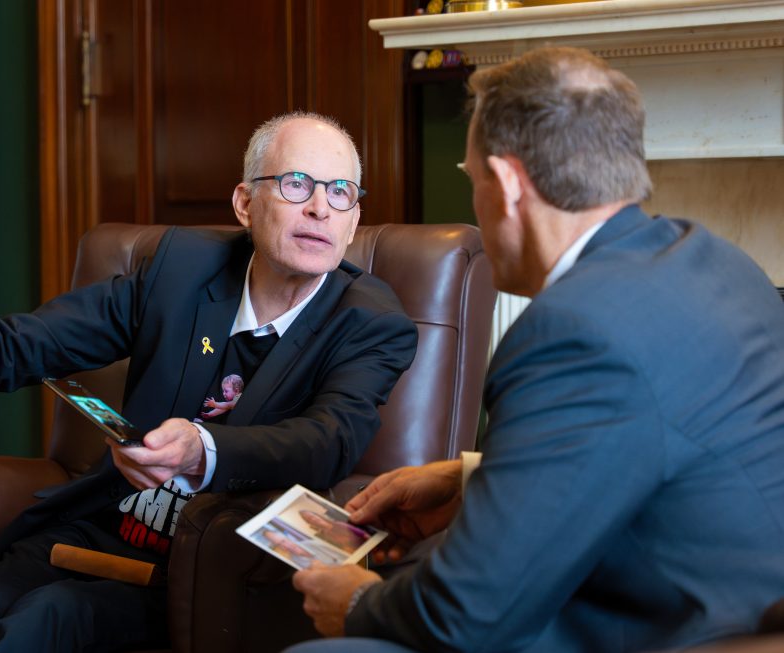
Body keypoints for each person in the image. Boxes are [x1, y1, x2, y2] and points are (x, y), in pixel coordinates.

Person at [0, 111, 418, 653]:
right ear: (244, 203)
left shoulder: (371, 320)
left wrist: (201, 452)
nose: (319, 208)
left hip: (210, 562)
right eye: (296, 184)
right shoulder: (183, 270)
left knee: (48, 617)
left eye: (340, 193)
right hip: (107, 520)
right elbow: (33, 340)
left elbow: (327, 439)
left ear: (355, 214)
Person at [288, 47, 784, 653]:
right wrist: (471, 476)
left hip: (665, 631)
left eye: (471, 180)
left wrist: (359, 603)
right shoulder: (715, 259)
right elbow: (650, 445)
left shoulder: (571, 330)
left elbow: (467, 614)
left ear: (507, 186)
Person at [298, 509, 371, 553]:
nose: (312, 520)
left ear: (317, 515)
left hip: (367, 546)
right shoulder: (323, 536)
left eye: (312, 517)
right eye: (308, 520)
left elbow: (363, 534)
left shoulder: (338, 524)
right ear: (309, 523)